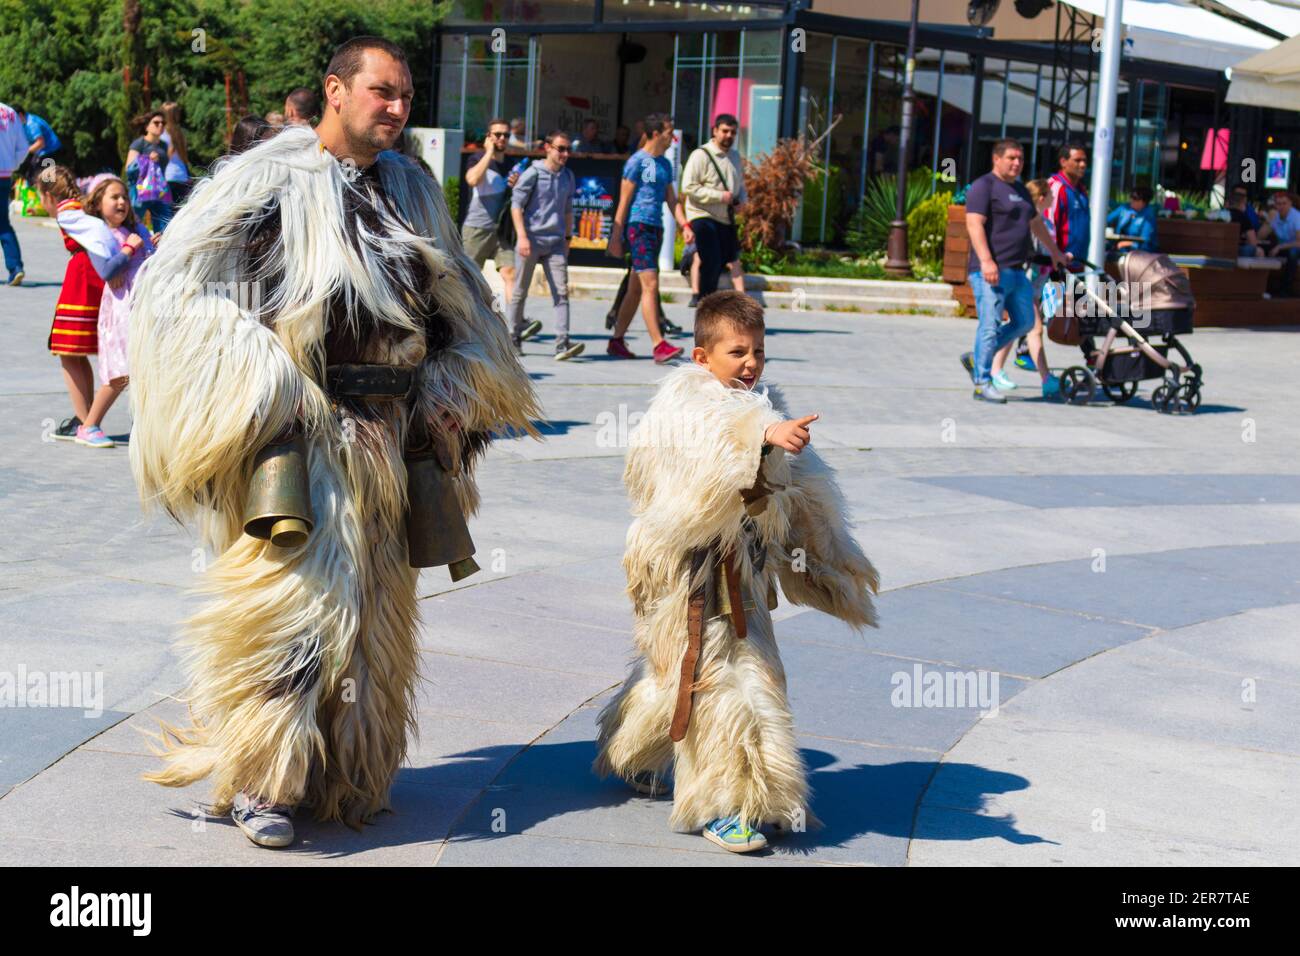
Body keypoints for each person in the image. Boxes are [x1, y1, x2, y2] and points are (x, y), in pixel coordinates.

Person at [129, 36, 539, 849]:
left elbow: (466, 309)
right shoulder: (263, 181)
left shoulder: (415, 191)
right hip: (303, 442)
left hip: (395, 444)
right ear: (335, 90)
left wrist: (452, 394)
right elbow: (175, 296)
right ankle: (263, 780)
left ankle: (344, 776)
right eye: (382, 92)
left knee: (375, 623)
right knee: (291, 613)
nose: (396, 108)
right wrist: (274, 391)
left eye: (405, 97)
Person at [594, 290, 880, 853]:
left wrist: (831, 558)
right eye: (737, 352)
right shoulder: (684, 407)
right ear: (703, 357)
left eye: (758, 353)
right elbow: (703, 473)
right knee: (720, 681)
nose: (750, 364)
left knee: (727, 674)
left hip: (743, 575)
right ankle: (723, 803)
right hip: (689, 575)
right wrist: (762, 441)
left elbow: (802, 494)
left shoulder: (763, 402)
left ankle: (632, 747)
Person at [959, 138, 1069, 404]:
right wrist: (986, 261)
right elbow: (974, 224)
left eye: (1020, 158)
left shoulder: (1020, 190)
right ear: (996, 159)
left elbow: (1036, 224)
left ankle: (977, 358)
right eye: (1011, 158)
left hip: (1017, 271)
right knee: (990, 325)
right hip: (990, 271)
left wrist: (1055, 253)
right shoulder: (983, 186)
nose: (1017, 163)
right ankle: (982, 382)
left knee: (1025, 322)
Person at [38, 166, 140, 448]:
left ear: (47, 194)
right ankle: (85, 421)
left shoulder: (69, 211)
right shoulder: (81, 209)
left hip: (81, 283)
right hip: (94, 281)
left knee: (68, 352)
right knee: (77, 353)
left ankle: (87, 424)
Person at [605, 112, 692, 363]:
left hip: (656, 228)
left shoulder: (664, 164)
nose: (672, 138)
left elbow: (672, 199)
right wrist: (616, 235)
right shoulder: (637, 161)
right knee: (650, 285)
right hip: (638, 227)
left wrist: (684, 224)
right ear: (656, 134)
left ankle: (617, 340)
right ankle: (658, 344)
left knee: (635, 289)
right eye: (668, 132)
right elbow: (624, 199)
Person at [82, 175, 155, 438]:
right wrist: (127, 250)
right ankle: (89, 425)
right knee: (119, 372)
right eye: (114, 197)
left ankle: (143, 427)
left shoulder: (137, 230)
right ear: (97, 203)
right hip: (121, 311)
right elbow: (106, 270)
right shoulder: (99, 234)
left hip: (143, 307)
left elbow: (149, 260)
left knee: (144, 369)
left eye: (124, 196)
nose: (121, 201)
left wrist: (151, 247)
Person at [508, 130, 583, 360]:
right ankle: (513, 337)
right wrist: (522, 237)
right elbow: (516, 205)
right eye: (561, 148)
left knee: (561, 291)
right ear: (548, 148)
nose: (565, 154)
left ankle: (562, 343)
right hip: (530, 240)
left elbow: (569, 210)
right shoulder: (533, 173)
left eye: (568, 149)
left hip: (556, 243)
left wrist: (569, 238)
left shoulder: (568, 176)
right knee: (520, 290)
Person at [988, 179, 1060, 400]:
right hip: (1025, 282)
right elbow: (1028, 254)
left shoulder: (1047, 224)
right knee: (1034, 329)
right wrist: (1053, 258)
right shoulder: (1028, 224)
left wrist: (1057, 260)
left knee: (1019, 326)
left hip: (1038, 283)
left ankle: (994, 369)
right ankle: (1046, 378)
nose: (1053, 198)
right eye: (1050, 194)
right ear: (1041, 198)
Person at [678, 113, 747, 301]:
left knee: (725, 260)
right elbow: (688, 187)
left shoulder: (735, 157)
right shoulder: (701, 155)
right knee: (712, 259)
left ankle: (707, 301)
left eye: (733, 132)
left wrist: (742, 201)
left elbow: (740, 186)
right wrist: (719, 196)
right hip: (702, 214)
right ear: (715, 131)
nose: (728, 135)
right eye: (724, 131)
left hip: (725, 217)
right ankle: (704, 300)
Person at [461, 118, 523, 314]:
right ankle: (463, 317)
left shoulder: (513, 165)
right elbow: (472, 179)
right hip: (477, 228)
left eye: (506, 135)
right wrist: (488, 152)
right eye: (497, 134)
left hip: (502, 230)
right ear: (489, 137)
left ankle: (514, 324)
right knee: (467, 276)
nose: (502, 138)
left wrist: (517, 185)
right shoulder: (478, 157)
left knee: (510, 273)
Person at [125, 110, 174, 234]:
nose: (160, 125)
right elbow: (129, 169)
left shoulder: (164, 145)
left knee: (164, 227)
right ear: (147, 126)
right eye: (156, 123)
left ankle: (161, 251)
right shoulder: (139, 144)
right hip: (140, 191)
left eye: (163, 123)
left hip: (159, 191)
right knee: (133, 225)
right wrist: (146, 159)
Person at [1045, 142, 1090, 267]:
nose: (1083, 165)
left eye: (1085, 161)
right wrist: (1055, 256)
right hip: (1056, 266)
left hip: (1077, 263)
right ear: (1063, 162)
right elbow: (1047, 226)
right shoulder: (1055, 187)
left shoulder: (1081, 189)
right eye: (1077, 160)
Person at [0, 101, 27, 285]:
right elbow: (24, 147)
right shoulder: (9, 112)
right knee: (3, 222)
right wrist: (12, 164)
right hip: (4, 175)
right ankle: (15, 267)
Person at [1257, 190, 1300, 295]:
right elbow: (1260, 236)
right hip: (1283, 247)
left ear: (1290, 204)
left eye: (1284, 203)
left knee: (1293, 253)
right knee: (1260, 248)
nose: (1281, 207)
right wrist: (1268, 220)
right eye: (1278, 204)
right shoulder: (1275, 217)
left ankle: (1286, 289)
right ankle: (1261, 286)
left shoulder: (1296, 217)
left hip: (1295, 247)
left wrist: (1279, 247)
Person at [159, 101, 194, 205]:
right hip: (181, 176)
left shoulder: (161, 134)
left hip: (167, 177)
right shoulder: (180, 133)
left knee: (167, 215)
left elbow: (164, 158)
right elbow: (184, 158)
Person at [1106, 186, 1157, 253]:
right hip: (1118, 247)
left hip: (1141, 251)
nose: (1131, 200)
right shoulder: (1125, 208)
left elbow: (1145, 241)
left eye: (1135, 198)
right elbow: (1107, 220)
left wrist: (1125, 243)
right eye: (1131, 197)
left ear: (1144, 202)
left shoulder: (1148, 217)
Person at [1228, 184, 1264, 258]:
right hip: (1235, 251)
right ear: (1244, 200)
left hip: (1217, 250)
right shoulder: (1243, 217)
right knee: (1258, 251)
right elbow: (1253, 243)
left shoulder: (1220, 214)